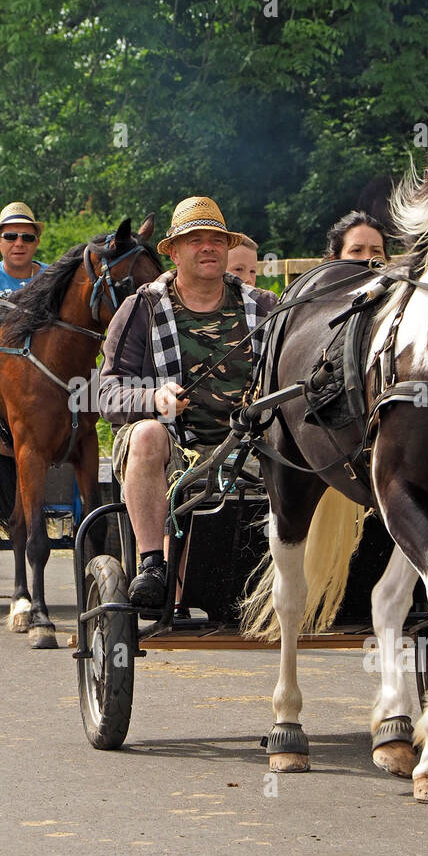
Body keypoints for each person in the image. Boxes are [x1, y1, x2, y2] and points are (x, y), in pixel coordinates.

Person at [99, 196, 279, 608]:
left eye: (216, 239)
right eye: (194, 239)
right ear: (174, 252)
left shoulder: (264, 307)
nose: (208, 247)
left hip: (252, 447)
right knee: (145, 434)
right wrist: (153, 398)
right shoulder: (140, 308)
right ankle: (152, 566)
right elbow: (106, 394)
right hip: (174, 449)